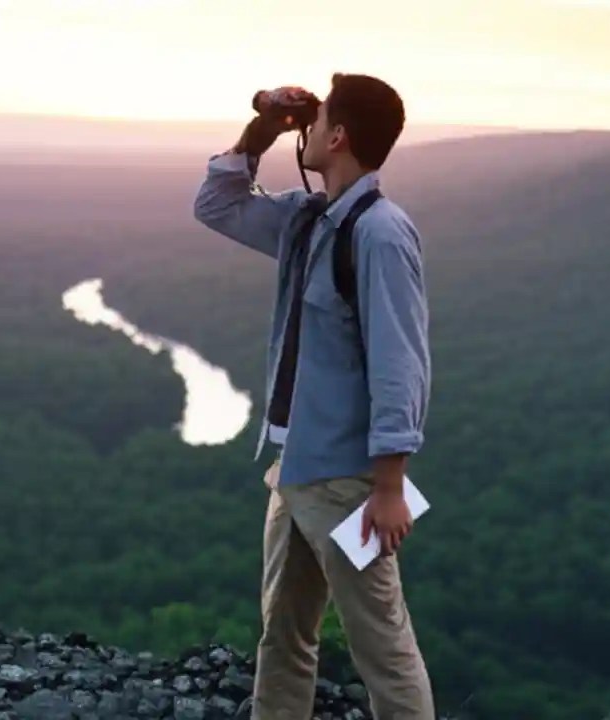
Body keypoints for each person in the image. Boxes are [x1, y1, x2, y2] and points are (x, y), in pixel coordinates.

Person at [193, 73, 434, 720]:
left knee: (381, 645)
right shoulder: (308, 220)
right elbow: (215, 205)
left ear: (338, 134)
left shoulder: (380, 233)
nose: (309, 123)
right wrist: (264, 129)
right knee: (285, 632)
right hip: (296, 467)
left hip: (348, 482)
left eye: (317, 115)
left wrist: (389, 486)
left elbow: (400, 362)